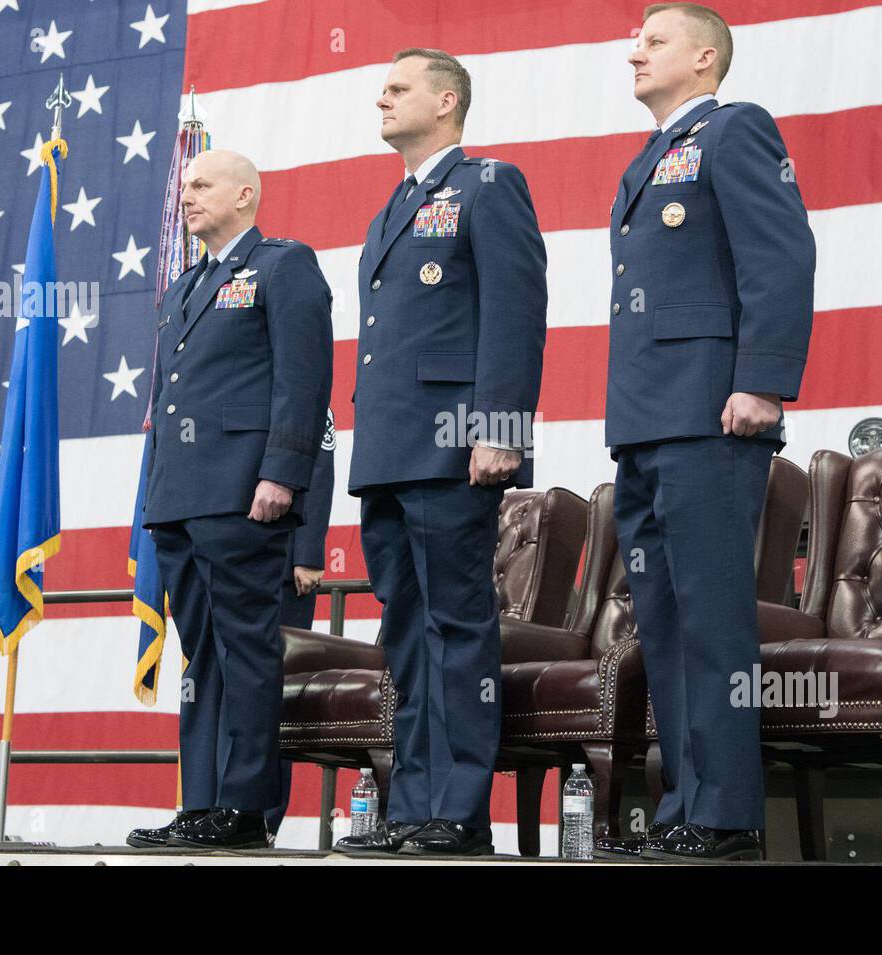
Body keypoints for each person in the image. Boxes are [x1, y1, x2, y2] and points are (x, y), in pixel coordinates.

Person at [596, 3, 815, 862]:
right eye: (636, 40)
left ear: (705, 55)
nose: (634, 52)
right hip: (648, 424)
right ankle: (686, 808)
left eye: (652, 41)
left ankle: (727, 814)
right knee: (665, 621)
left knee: (714, 619)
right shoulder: (646, 162)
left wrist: (761, 378)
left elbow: (782, 253)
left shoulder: (734, 131)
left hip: (713, 414)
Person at [333, 48, 546, 856]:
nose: (379, 99)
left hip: (454, 445)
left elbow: (516, 311)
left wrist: (502, 427)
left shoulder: (487, 185)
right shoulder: (392, 208)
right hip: (390, 449)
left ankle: (456, 810)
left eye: (397, 88)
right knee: (408, 633)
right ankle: (413, 805)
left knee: (456, 627)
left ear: (446, 100)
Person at [126, 148, 333, 850]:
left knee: (246, 649)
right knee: (202, 657)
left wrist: (283, 473)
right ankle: (202, 803)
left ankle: (243, 807)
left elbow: (301, 382)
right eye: (186, 187)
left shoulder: (283, 265)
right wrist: (157, 497)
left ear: (245, 194)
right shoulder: (183, 288)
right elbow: (171, 398)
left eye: (203, 184)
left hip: (244, 492)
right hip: (181, 500)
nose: (188, 197)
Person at [263, 408, 335, 841]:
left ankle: (268, 817)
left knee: (276, 693)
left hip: (285, 566)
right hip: (239, 554)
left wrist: (307, 552)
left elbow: (320, 465)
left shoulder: (300, 388)